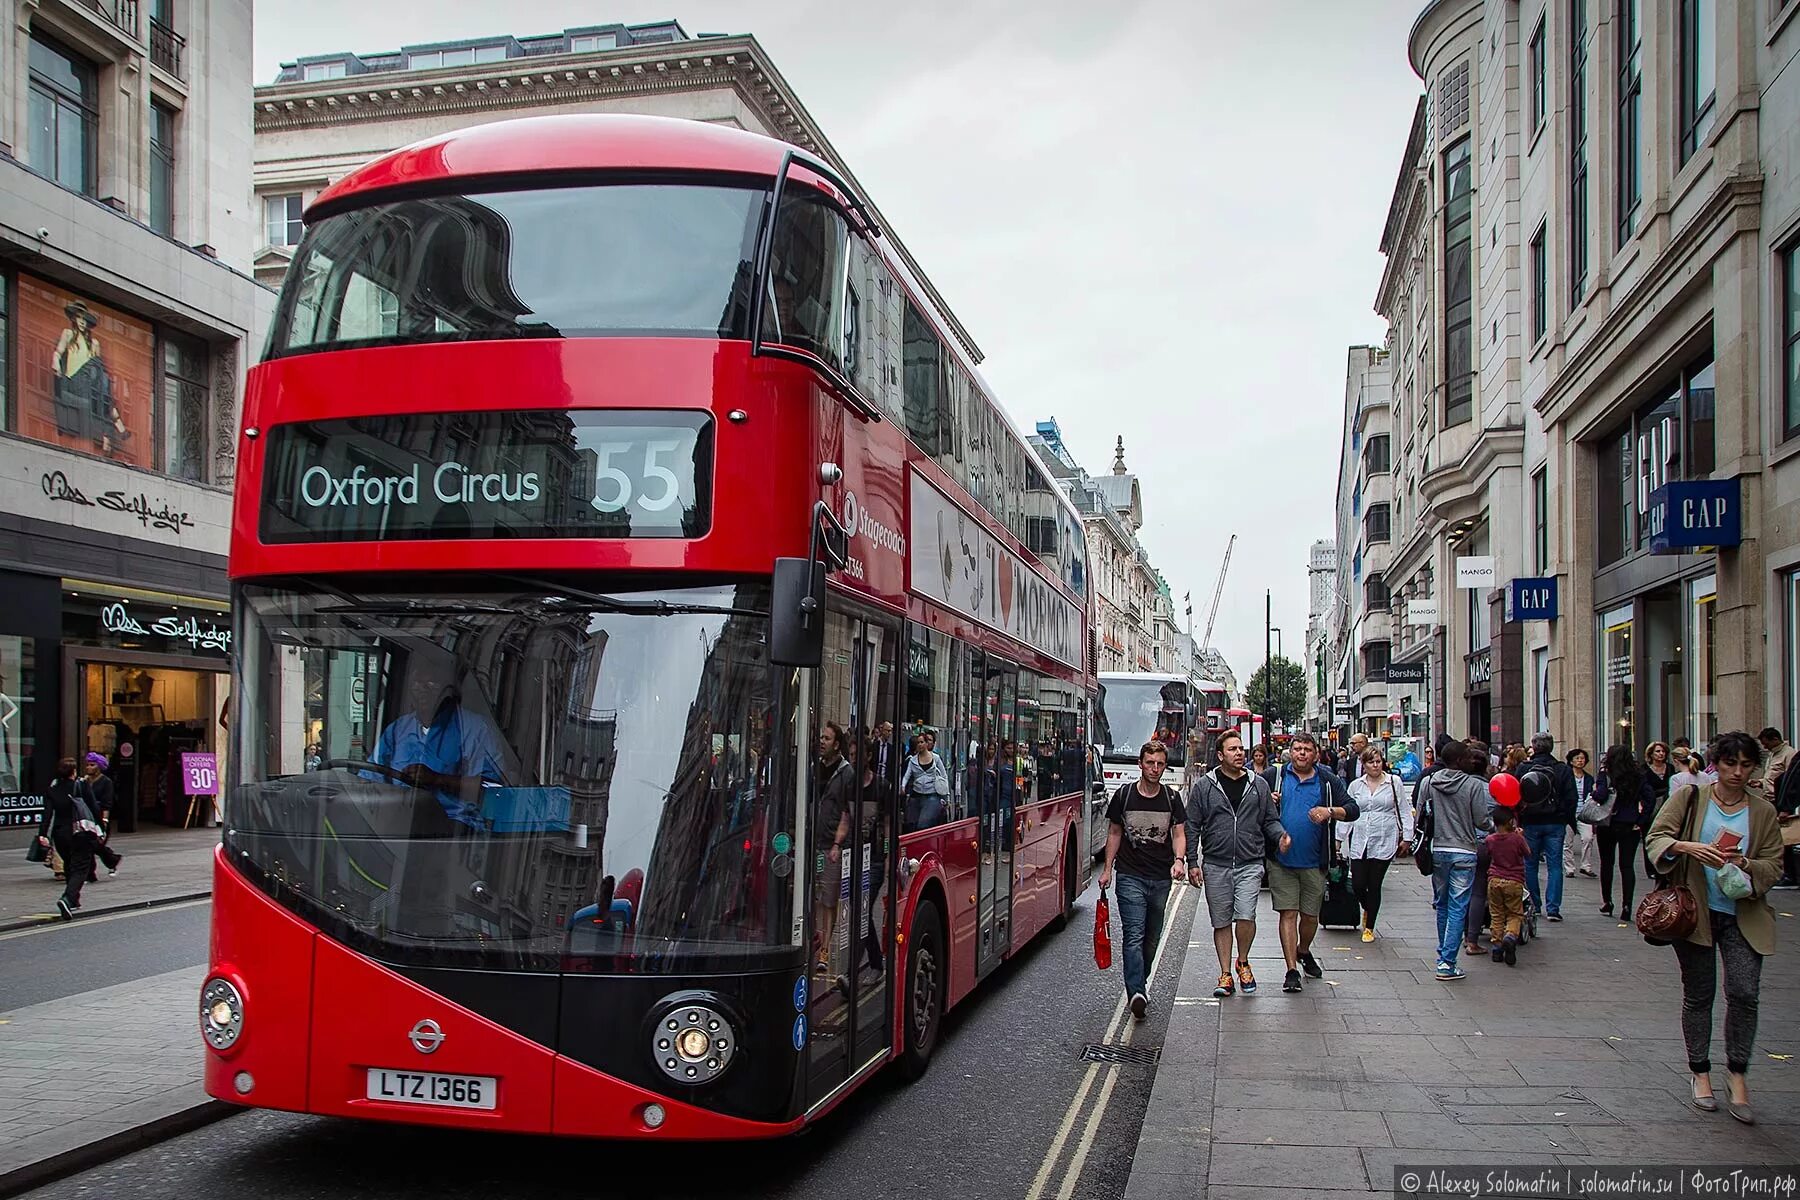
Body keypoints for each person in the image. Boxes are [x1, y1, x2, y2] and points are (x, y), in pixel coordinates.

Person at [1646, 731, 1784, 1123]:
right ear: (1715, 765)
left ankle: (1737, 1073)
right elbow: (1658, 838)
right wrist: (1689, 847)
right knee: (1699, 993)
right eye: (1729, 764)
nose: (1737, 773)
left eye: (1745, 765)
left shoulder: (1762, 812)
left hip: (1744, 912)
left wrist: (1745, 865)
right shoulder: (1691, 798)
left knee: (1744, 992)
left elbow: (1774, 865)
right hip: (1695, 913)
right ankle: (1700, 1072)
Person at [1185, 730, 1287, 998]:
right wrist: (1192, 861)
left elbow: (1270, 820)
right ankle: (1225, 973)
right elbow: (1192, 825)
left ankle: (1242, 961)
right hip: (1216, 863)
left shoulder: (1258, 785)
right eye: (1233, 749)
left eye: (1241, 748)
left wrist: (1280, 837)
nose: (1240, 753)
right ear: (1220, 755)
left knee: (1246, 915)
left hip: (1250, 862)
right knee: (1220, 921)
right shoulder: (1205, 787)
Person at [1098, 741, 1189, 1020]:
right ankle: (1136, 991)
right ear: (1140, 764)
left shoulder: (1172, 799)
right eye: (1150, 763)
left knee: (1152, 938)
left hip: (1161, 877)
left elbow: (1179, 833)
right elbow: (1114, 833)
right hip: (1130, 875)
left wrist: (1179, 861)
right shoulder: (1124, 796)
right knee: (1134, 934)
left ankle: (1141, 980)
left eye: (1160, 764)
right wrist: (1107, 868)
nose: (1155, 769)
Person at [369, 649, 507, 829]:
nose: (423, 689)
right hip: (397, 827)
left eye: (431, 682)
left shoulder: (474, 729)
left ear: (448, 688)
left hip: (453, 831)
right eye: (418, 682)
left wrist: (438, 779)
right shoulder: (397, 730)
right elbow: (370, 778)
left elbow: (494, 788)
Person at [1267, 732, 1358, 994]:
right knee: (1288, 913)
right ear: (1290, 752)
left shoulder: (1327, 781)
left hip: (1314, 862)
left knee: (1310, 917)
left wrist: (1330, 811)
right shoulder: (1275, 778)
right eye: (1297, 749)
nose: (1302, 753)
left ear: (1316, 754)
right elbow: (1254, 810)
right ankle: (1291, 970)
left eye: (1307, 749)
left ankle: (1303, 950)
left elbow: (1353, 809)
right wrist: (1268, 803)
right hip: (1281, 861)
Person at [1415, 740, 1493, 981]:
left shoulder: (1430, 782)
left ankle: (1444, 953)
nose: (1472, 760)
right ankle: (1447, 962)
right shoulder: (1472, 785)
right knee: (1458, 906)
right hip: (1465, 851)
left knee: (1442, 903)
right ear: (1459, 761)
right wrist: (1491, 825)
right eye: (1468, 757)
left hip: (1438, 848)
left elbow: (1420, 814)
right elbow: (1481, 820)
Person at [1343, 746, 1414, 943]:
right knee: (1357, 884)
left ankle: (1369, 926)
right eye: (1371, 762)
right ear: (1363, 765)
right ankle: (1367, 907)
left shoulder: (1393, 782)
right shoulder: (1356, 786)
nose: (1375, 765)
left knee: (1374, 884)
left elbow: (1403, 809)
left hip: (1384, 837)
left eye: (1378, 761)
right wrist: (1339, 838)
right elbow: (1347, 812)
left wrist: (1407, 837)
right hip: (1360, 837)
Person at [35, 757, 117, 920]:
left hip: (60, 834)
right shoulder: (81, 785)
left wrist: (43, 834)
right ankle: (67, 898)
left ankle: (74, 900)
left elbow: (47, 814)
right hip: (79, 832)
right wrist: (101, 827)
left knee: (70, 865)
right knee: (80, 868)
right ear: (73, 772)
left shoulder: (53, 789)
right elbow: (93, 807)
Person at [1511, 732, 1578, 922]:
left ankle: (1535, 904)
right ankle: (1553, 908)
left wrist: (1520, 817)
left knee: (1530, 864)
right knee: (1555, 865)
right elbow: (1571, 797)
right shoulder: (1562, 769)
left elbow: (1516, 794)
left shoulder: (1524, 768)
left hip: (1531, 821)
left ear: (1533, 746)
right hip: (1555, 822)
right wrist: (1565, 816)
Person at [812, 721, 855, 973]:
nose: (822, 741)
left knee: (829, 899)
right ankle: (816, 940)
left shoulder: (846, 773)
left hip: (831, 845)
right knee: (815, 896)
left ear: (836, 744)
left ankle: (826, 949)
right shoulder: (815, 768)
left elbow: (846, 813)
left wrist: (838, 844)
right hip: (814, 841)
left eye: (826, 738)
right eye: (821, 737)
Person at [1594, 744, 1653, 918]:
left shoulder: (1607, 773)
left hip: (1608, 823)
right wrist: (1641, 821)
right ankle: (1627, 905)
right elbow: (1649, 800)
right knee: (1627, 866)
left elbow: (1601, 795)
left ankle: (1607, 901)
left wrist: (1596, 790)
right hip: (1630, 824)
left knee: (1607, 864)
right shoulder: (1638, 776)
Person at [1485, 807, 1530, 965]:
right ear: (1511, 821)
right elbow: (1528, 853)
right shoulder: (1517, 839)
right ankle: (1510, 936)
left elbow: (1489, 853)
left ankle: (1497, 948)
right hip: (1514, 880)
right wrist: (1520, 836)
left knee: (1496, 914)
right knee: (1514, 913)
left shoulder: (1490, 839)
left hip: (1494, 880)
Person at [900, 731, 951, 831]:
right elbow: (907, 775)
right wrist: (902, 786)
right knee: (911, 825)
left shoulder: (936, 758)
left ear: (927, 744)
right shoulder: (912, 760)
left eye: (922, 742)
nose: (920, 745)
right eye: (918, 743)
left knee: (923, 825)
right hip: (916, 795)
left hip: (931, 795)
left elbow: (944, 776)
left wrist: (947, 797)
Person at [1564, 748, 1598, 879]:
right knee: (1567, 843)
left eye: (1582, 758)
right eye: (1577, 758)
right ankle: (1569, 868)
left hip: (1584, 814)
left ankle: (1586, 865)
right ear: (1571, 761)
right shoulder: (1567, 776)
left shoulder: (1589, 778)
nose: (1580, 761)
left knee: (1588, 838)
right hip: (1569, 813)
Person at [1756, 728, 1795, 795]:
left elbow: (1791, 780)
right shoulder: (1772, 754)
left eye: (1766, 744)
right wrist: (1761, 782)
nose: (1765, 747)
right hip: (1768, 797)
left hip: (1778, 799)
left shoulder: (1789, 753)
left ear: (1775, 739)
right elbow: (1773, 776)